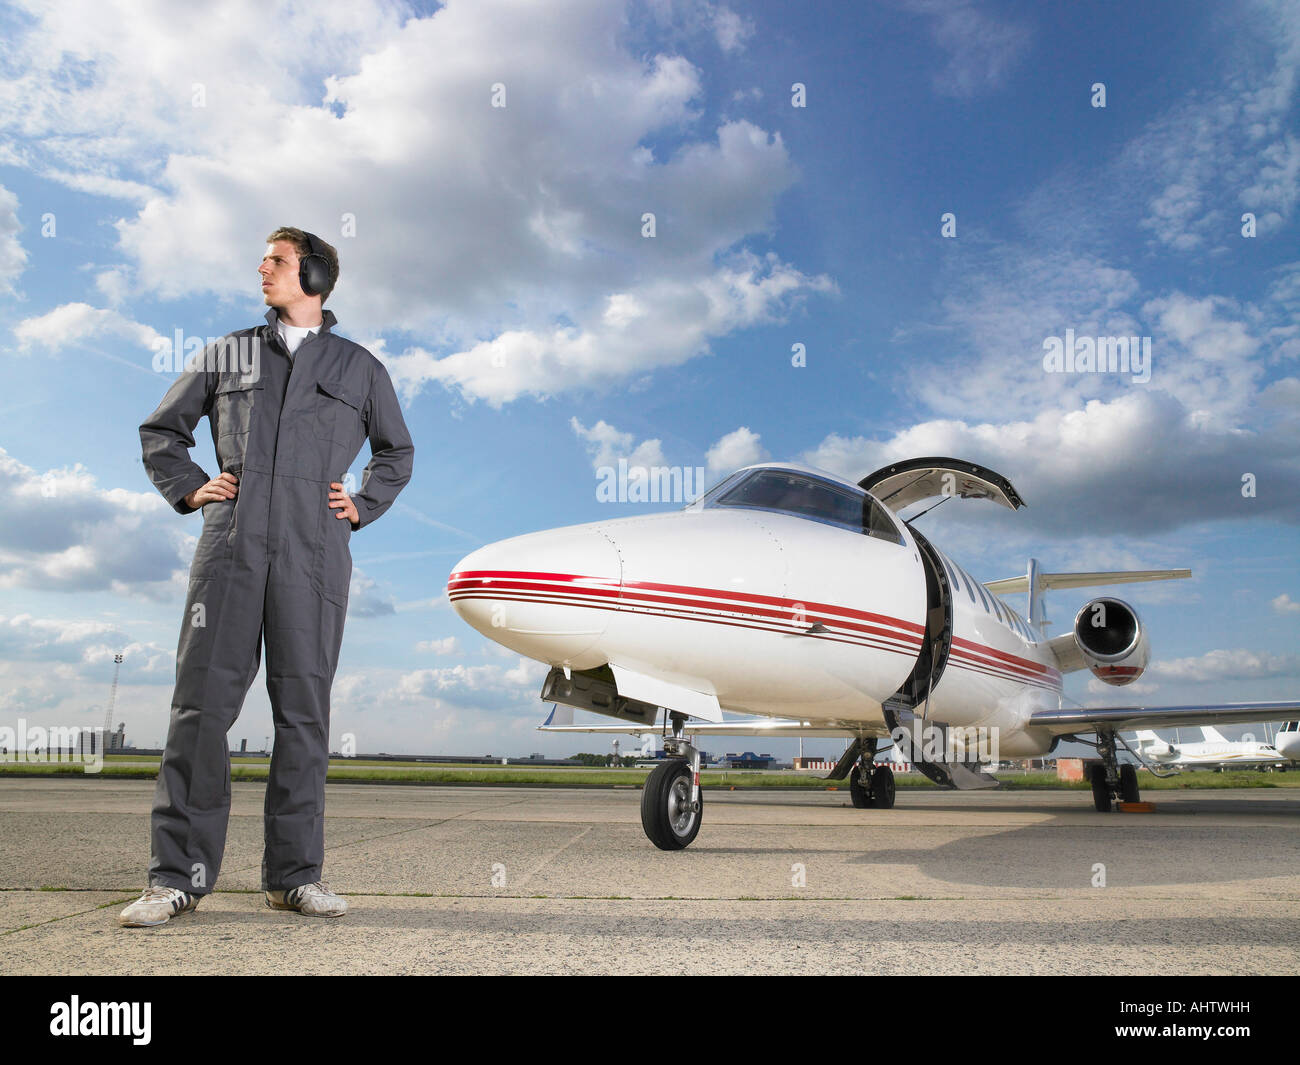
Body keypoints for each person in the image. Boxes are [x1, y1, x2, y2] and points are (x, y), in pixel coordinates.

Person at [121, 227, 414, 926]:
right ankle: (175, 878)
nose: (263, 268)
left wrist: (362, 503)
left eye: (277, 260)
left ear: (314, 273)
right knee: (200, 710)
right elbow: (162, 430)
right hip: (232, 547)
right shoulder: (229, 352)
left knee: (304, 716)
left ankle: (294, 877)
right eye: (264, 259)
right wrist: (193, 488)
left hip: (314, 554)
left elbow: (396, 451)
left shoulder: (360, 368)